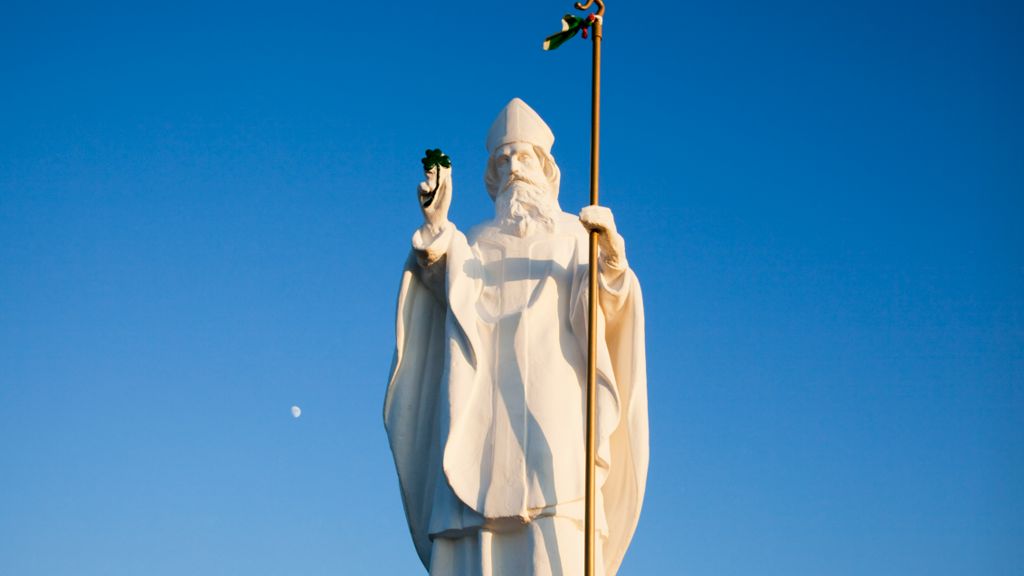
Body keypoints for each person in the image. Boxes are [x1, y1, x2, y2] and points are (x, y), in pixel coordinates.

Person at [384, 98, 648, 575]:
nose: (512, 167)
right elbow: (442, 279)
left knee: (557, 543)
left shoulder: (575, 235)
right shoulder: (476, 242)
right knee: (477, 546)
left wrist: (610, 256)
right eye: (502, 159)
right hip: (482, 425)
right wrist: (436, 226)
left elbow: (605, 306)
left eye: (523, 156)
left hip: (553, 420)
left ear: (545, 168)